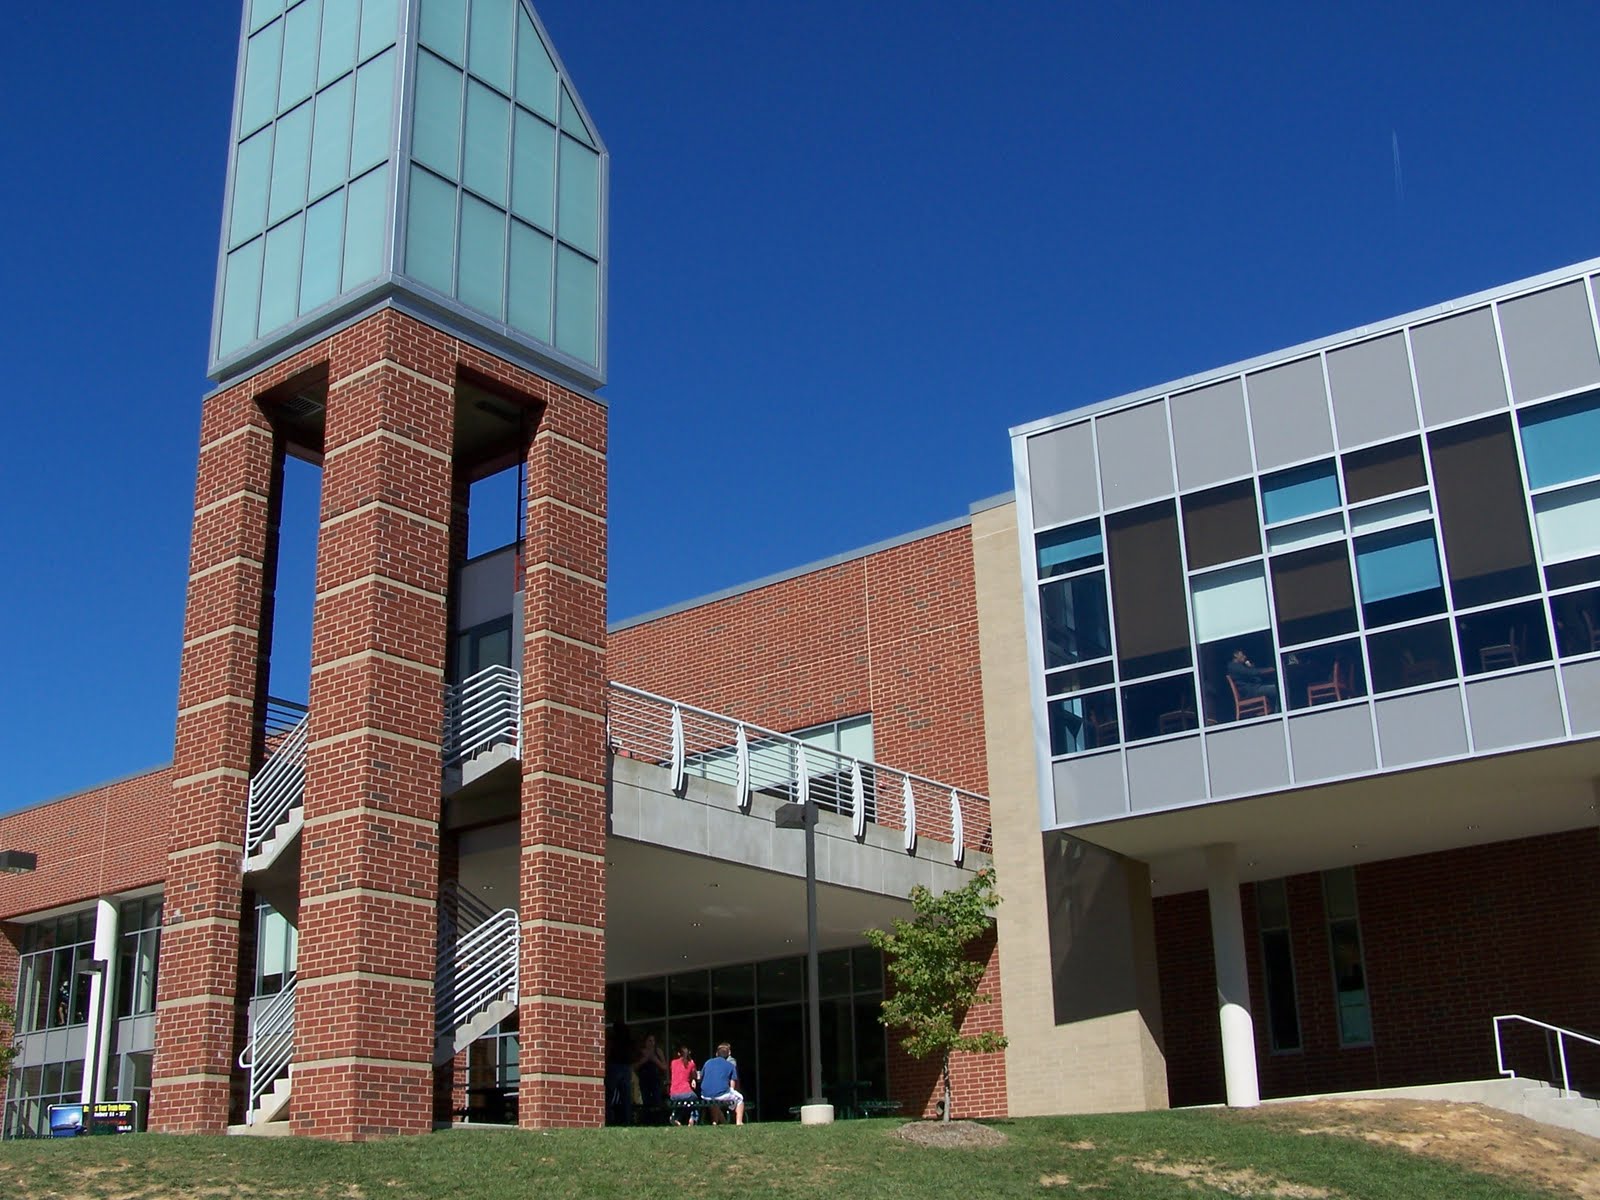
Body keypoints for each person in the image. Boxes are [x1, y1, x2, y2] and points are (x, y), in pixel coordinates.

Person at [699, 1042, 745, 1125]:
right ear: (728, 1055)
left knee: (714, 1102)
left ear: (716, 1054)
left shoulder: (708, 1062)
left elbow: (701, 1077)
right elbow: (732, 1084)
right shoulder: (730, 1065)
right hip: (721, 1094)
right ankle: (739, 1122)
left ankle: (716, 1122)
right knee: (740, 1099)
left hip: (705, 1095)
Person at [1226, 648, 1279, 712]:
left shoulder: (1239, 666)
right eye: (1243, 654)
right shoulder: (1233, 666)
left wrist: (1250, 667)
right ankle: (1277, 712)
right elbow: (1250, 673)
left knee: (1273, 685)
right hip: (1250, 691)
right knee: (1277, 689)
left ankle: (1273, 710)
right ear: (1235, 654)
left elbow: (1254, 676)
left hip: (1254, 688)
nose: (1245, 656)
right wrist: (1267, 670)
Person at [605, 1020, 635, 1126]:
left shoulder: (613, 1040)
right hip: (625, 1068)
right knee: (626, 1097)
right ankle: (627, 1120)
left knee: (608, 1096)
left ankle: (608, 1119)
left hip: (614, 1066)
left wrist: (605, 1065)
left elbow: (608, 1052)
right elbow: (633, 1054)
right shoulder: (628, 1040)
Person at [634, 1032, 668, 1120]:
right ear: (645, 1042)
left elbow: (664, 1067)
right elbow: (634, 1067)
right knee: (646, 1100)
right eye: (649, 1041)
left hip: (656, 1080)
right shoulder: (641, 1052)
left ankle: (658, 1119)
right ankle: (647, 1119)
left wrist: (655, 1060)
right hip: (644, 1080)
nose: (652, 1043)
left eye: (653, 1041)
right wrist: (645, 1059)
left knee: (657, 1100)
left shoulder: (658, 1051)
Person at [668, 1043, 699, 1125]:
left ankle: (675, 1117)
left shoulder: (673, 1063)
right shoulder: (691, 1064)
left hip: (673, 1094)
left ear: (678, 1053)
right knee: (695, 1100)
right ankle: (693, 1118)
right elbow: (695, 1075)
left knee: (682, 1103)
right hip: (686, 1092)